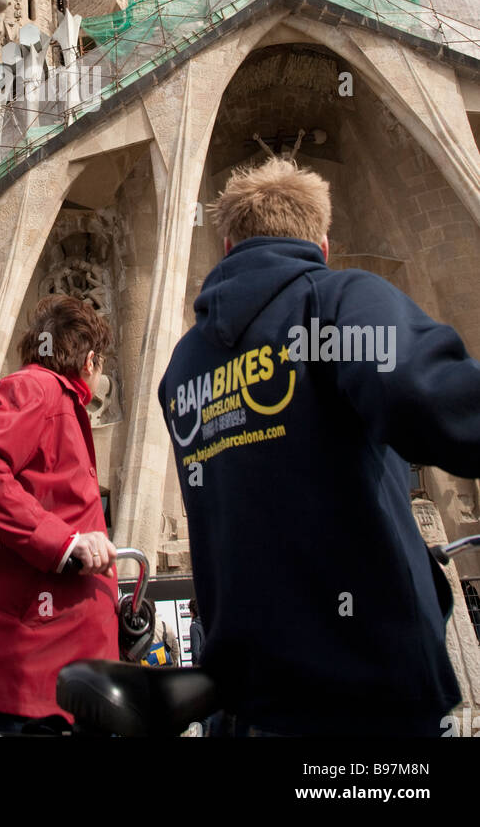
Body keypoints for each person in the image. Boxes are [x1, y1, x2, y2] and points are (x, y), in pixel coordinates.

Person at [159, 156, 480, 737]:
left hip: (243, 697)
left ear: (228, 243)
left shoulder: (183, 367)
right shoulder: (335, 301)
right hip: (361, 691)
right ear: (323, 243)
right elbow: (427, 395)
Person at [0, 295, 120, 732]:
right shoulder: (37, 390)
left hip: (56, 670)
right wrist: (63, 542)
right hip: (27, 672)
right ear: (90, 360)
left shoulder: (57, 403)